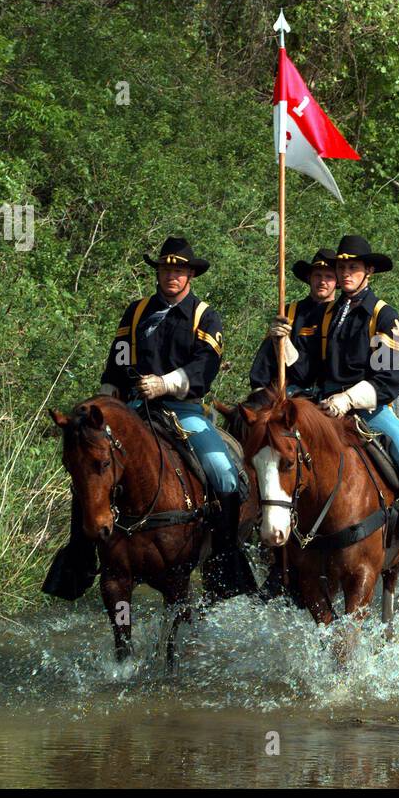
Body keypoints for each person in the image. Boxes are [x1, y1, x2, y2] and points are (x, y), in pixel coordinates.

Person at [289, 234, 399, 616]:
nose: (345, 274)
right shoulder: (328, 314)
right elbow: (309, 369)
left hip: (372, 408)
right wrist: (288, 347)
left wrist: (349, 398)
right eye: (341, 267)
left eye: (352, 268)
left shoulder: (383, 315)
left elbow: (389, 377)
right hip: (327, 410)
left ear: (368, 272)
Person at [97, 236, 250, 584]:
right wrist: (107, 399)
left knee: (223, 471)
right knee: (92, 466)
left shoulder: (205, 316)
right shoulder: (136, 311)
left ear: (190, 275)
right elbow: (118, 359)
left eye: (179, 270)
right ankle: (79, 555)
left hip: (184, 409)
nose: (172, 275)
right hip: (134, 408)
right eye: (166, 268)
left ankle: (226, 559)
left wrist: (165, 384)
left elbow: (205, 365)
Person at [249, 246, 337, 391]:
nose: (322, 281)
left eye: (329, 276)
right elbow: (267, 354)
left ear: (337, 281)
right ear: (309, 278)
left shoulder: (340, 314)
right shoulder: (289, 312)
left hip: (324, 392)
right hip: (286, 388)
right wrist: (259, 388)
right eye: (317, 275)